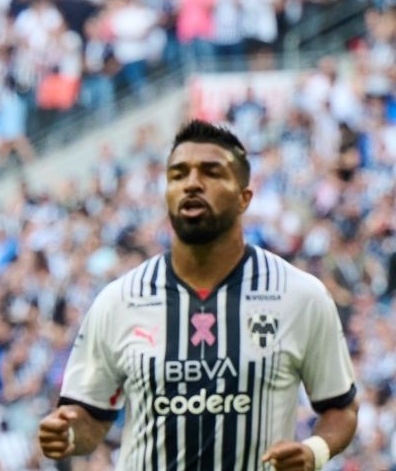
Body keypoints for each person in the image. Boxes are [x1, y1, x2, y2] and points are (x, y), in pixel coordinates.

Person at [38, 120, 358, 471]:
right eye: (178, 174)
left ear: (244, 198)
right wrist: (69, 433)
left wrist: (314, 451)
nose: (191, 183)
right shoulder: (120, 300)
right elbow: (90, 418)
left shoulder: (300, 296)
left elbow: (341, 408)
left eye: (211, 172)